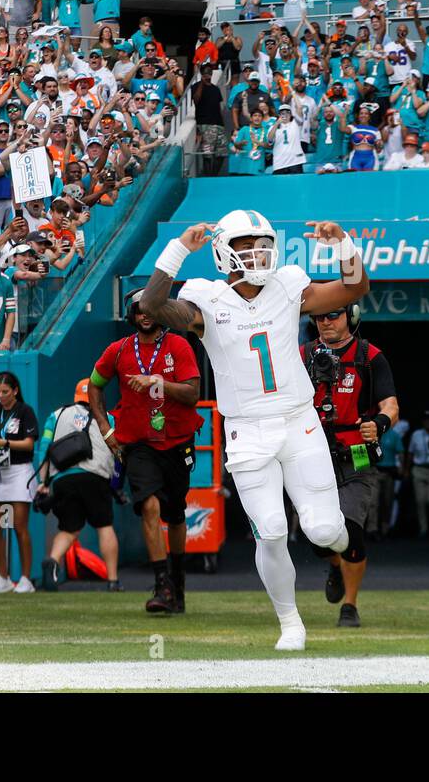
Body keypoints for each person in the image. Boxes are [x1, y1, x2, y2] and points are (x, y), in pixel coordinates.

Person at [140, 211, 370, 650]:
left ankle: (340, 551)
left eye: (262, 244)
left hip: (298, 420)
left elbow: (356, 288)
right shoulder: (206, 300)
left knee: (323, 531)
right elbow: (151, 307)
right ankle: (290, 622)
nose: (256, 253)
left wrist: (342, 244)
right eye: (245, 245)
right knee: (271, 527)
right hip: (247, 429)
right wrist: (176, 252)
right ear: (224, 252)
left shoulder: (286, 286)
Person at [88, 289, 202, 613]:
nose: (145, 315)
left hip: (177, 440)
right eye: (139, 310)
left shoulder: (178, 345)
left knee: (176, 513)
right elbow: (94, 386)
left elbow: (193, 394)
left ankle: (177, 582)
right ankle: (162, 585)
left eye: (151, 309)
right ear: (132, 315)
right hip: (138, 444)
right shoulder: (119, 350)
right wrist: (105, 428)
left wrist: (159, 382)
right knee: (149, 506)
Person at [302, 303, 399, 627]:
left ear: (351, 317)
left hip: (355, 455)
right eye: (318, 317)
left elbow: (391, 404)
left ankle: (350, 605)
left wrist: (380, 424)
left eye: (333, 315)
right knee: (317, 538)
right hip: (313, 456)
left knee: (352, 531)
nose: (325, 321)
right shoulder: (301, 356)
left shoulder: (369, 356)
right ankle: (333, 565)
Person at [34, 379, 121, 592]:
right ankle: (112, 580)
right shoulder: (109, 418)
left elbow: (45, 448)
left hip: (64, 478)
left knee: (68, 528)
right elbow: (118, 452)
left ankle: (53, 562)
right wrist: (117, 483)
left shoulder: (56, 415)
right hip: (96, 477)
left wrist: (43, 483)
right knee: (104, 526)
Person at [0, 371, 40, 594]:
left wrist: (5, 443)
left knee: (19, 526)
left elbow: (29, 444)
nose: (1, 395)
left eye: (5, 391)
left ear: (15, 391)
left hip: (19, 472)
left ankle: (25, 578)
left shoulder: (25, 412)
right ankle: (2, 577)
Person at [407, 410, 429, 537]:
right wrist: (407, 469)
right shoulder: (416, 434)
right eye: (426, 420)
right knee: (420, 501)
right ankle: (424, 528)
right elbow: (410, 452)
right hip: (419, 469)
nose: (428, 422)